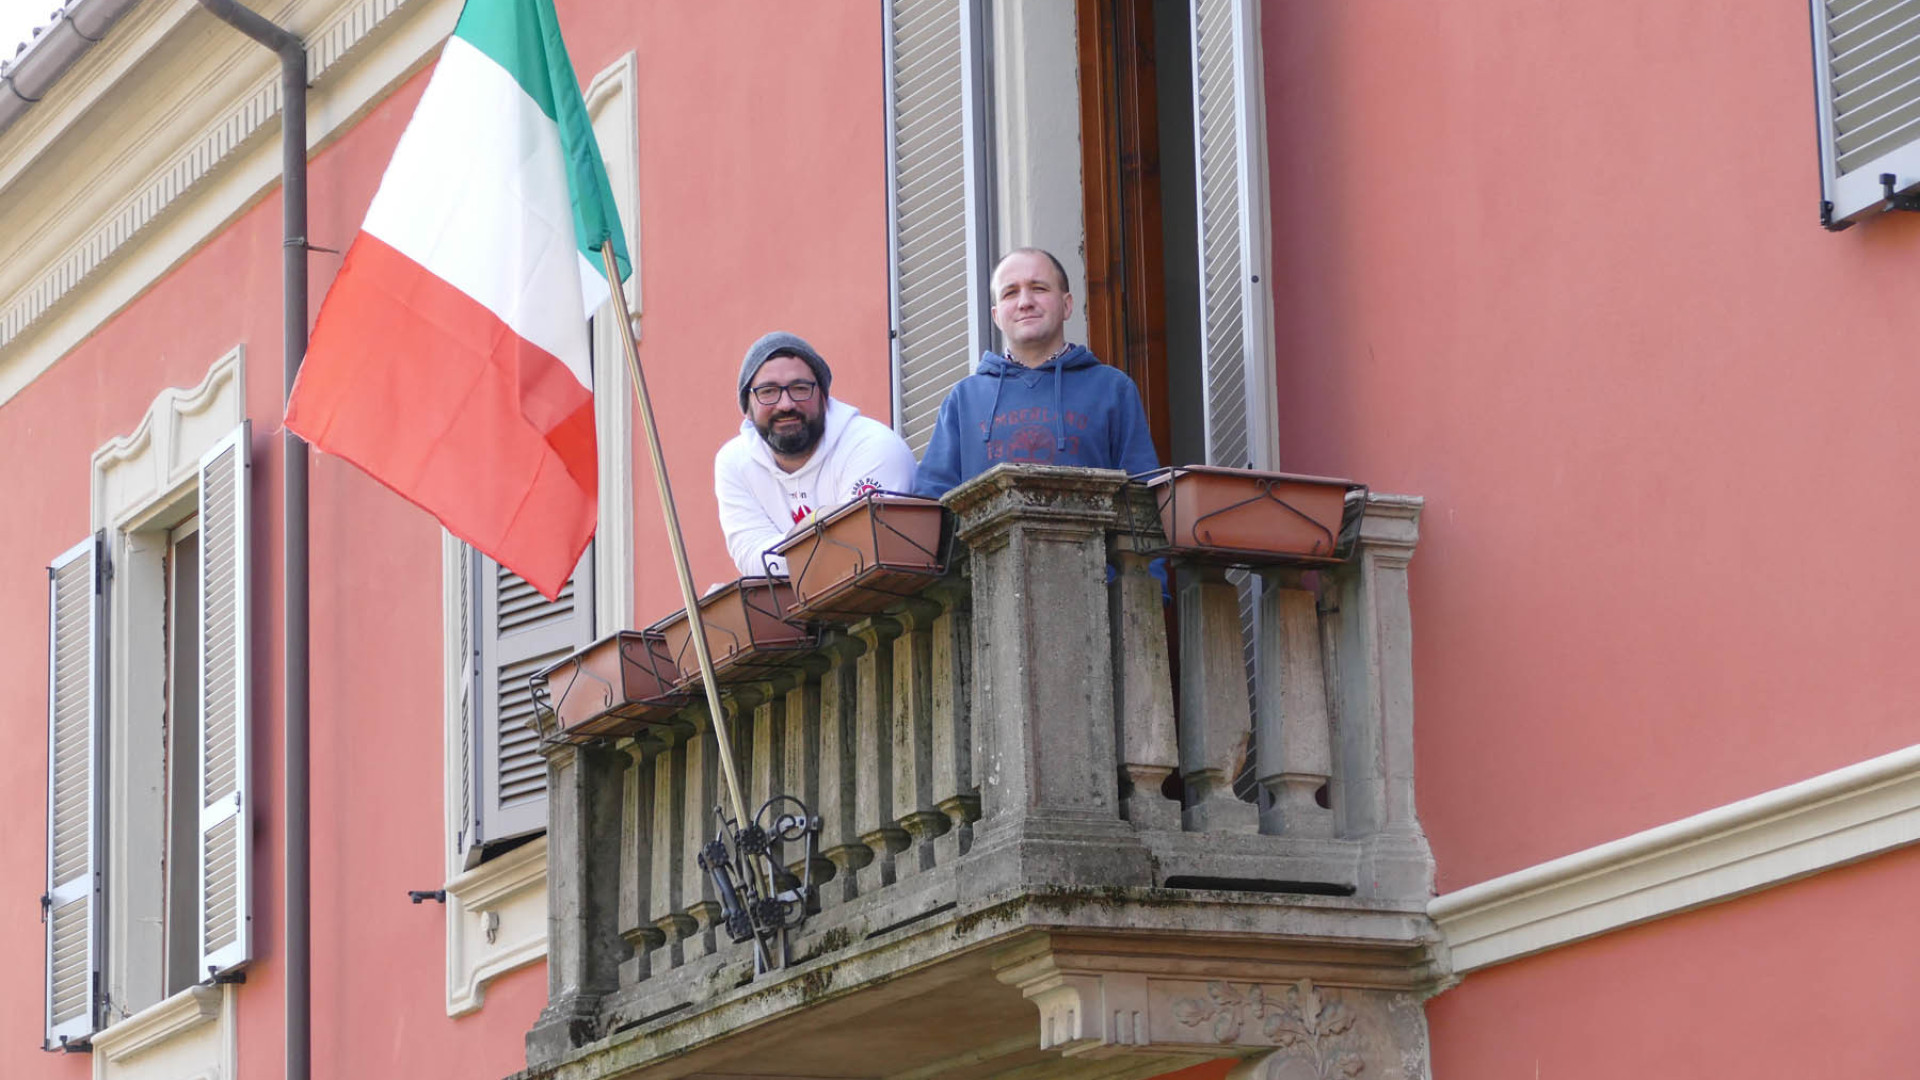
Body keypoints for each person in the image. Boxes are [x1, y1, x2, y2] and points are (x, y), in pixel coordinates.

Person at [913, 248, 1158, 498]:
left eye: (1039, 288)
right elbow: (931, 501)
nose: (1025, 302)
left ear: (1066, 305)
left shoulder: (1113, 389)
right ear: (996, 316)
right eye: (1010, 293)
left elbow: (1142, 497)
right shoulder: (964, 399)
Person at [715, 331, 918, 577]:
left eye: (800, 388)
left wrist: (786, 549)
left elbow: (859, 551)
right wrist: (816, 524)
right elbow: (753, 561)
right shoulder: (734, 462)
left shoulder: (873, 445)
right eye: (768, 391)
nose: (786, 404)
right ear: (747, 407)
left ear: (823, 396)